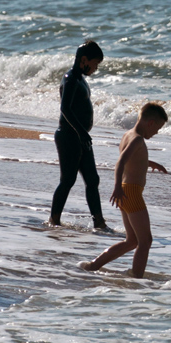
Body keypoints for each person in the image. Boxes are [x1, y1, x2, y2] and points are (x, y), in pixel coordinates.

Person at [78, 103, 168, 278]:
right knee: (145, 241)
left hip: (126, 193)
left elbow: (131, 160)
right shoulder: (138, 139)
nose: (156, 132)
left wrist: (149, 163)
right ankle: (136, 277)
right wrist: (117, 186)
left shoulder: (128, 135)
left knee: (132, 241)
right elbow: (120, 162)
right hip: (131, 193)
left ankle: (93, 265)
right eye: (157, 128)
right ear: (150, 123)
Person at [48, 40, 109, 230]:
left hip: (80, 137)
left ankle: (99, 222)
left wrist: (83, 134)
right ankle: (54, 220)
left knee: (92, 179)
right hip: (68, 136)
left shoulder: (81, 79)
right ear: (84, 60)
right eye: (94, 64)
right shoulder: (71, 78)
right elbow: (65, 108)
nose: (95, 69)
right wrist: (81, 132)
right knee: (68, 180)